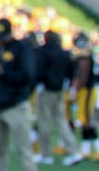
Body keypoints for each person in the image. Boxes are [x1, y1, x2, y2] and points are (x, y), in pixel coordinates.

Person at [0, 18, 38, 171]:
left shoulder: (21, 48)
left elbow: (27, 76)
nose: (0, 41)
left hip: (16, 104)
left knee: (24, 150)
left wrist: (3, 72)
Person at [35, 29, 81, 165]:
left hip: (46, 89)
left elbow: (38, 70)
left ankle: (46, 153)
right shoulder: (64, 53)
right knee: (61, 120)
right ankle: (73, 151)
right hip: (60, 89)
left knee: (44, 122)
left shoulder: (43, 52)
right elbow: (72, 71)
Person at [71, 34, 97, 161]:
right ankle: (88, 149)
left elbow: (83, 75)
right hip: (87, 90)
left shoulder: (84, 55)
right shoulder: (86, 53)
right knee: (86, 120)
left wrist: (75, 88)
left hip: (87, 90)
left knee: (86, 120)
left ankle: (93, 150)